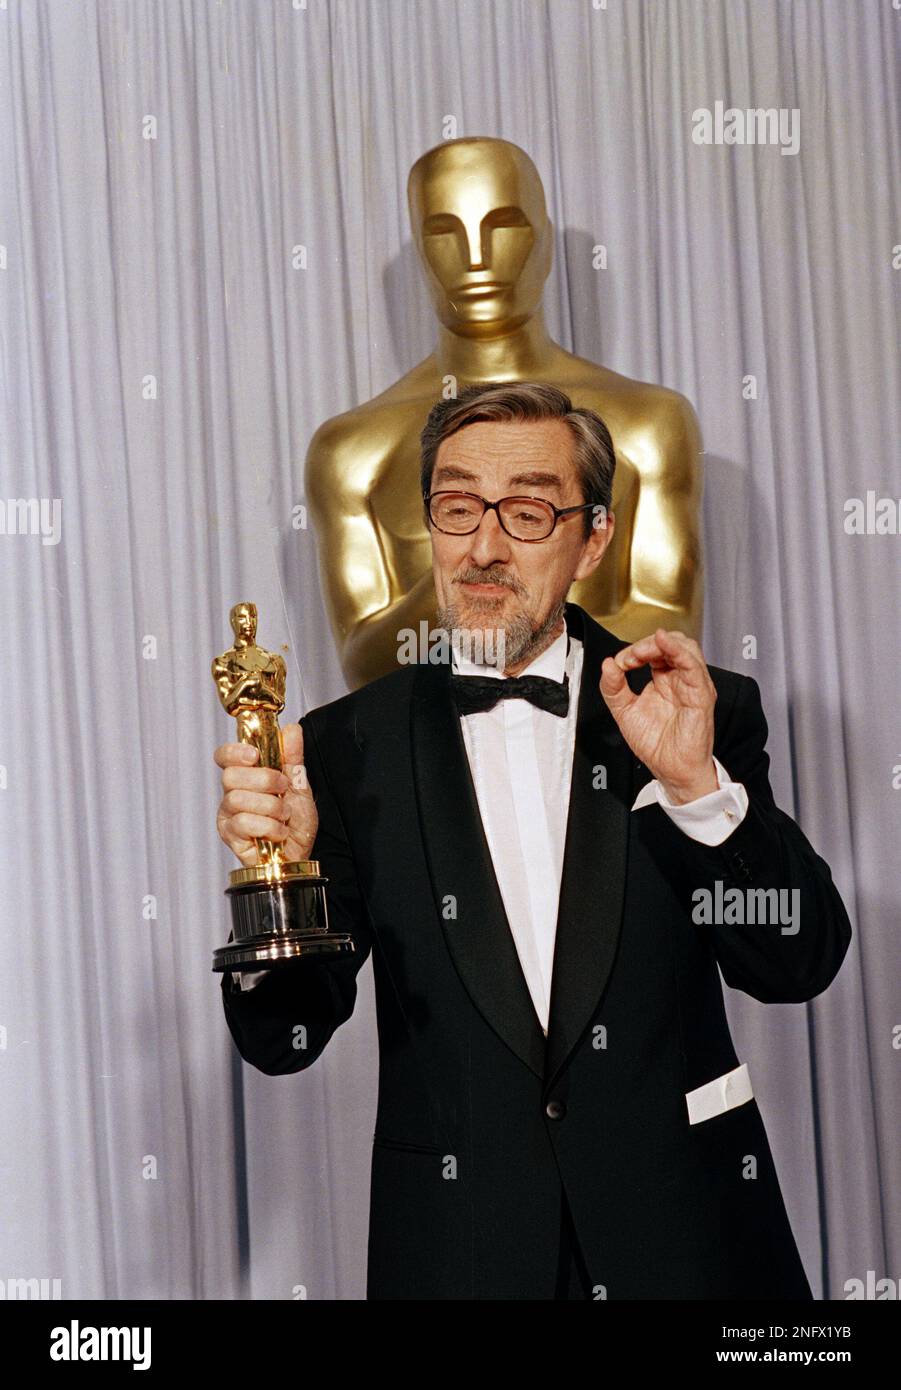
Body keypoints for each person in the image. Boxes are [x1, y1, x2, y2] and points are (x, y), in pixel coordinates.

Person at [214, 382, 852, 1300]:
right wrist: (278, 875)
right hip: (458, 1253)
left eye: (525, 512)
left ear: (592, 538)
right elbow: (286, 1038)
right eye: (457, 506)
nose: (482, 547)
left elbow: (797, 965)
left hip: (690, 1244)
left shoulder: (694, 707)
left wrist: (696, 791)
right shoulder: (347, 746)